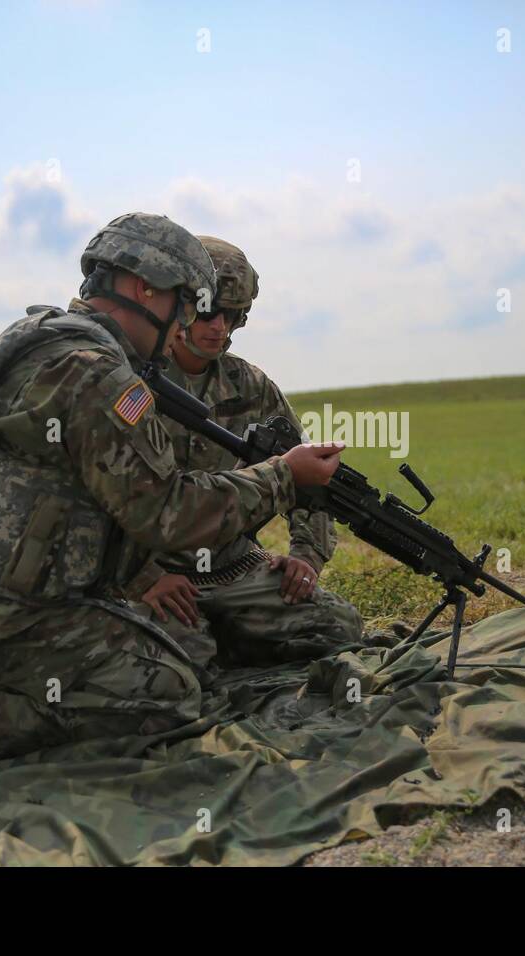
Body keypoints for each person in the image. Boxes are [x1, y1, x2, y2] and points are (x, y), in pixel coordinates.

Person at [0, 213, 344, 769]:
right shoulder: (96, 372)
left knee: (190, 656)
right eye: (184, 307)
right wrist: (283, 477)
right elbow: (167, 514)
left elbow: (88, 502)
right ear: (142, 288)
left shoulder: (41, 339)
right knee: (170, 697)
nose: (187, 326)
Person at [131, 236, 362, 673]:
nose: (218, 326)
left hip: (232, 568)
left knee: (337, 627)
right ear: (179, 304)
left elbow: (309, 481)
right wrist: (144, 579)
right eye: (207, 310)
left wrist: (305, 558)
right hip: (153, 575)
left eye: (233, 315)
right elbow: (98, 494)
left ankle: (224, 636)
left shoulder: (252, 386)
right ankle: (214, 643)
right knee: (181, 663)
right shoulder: (131, 382)